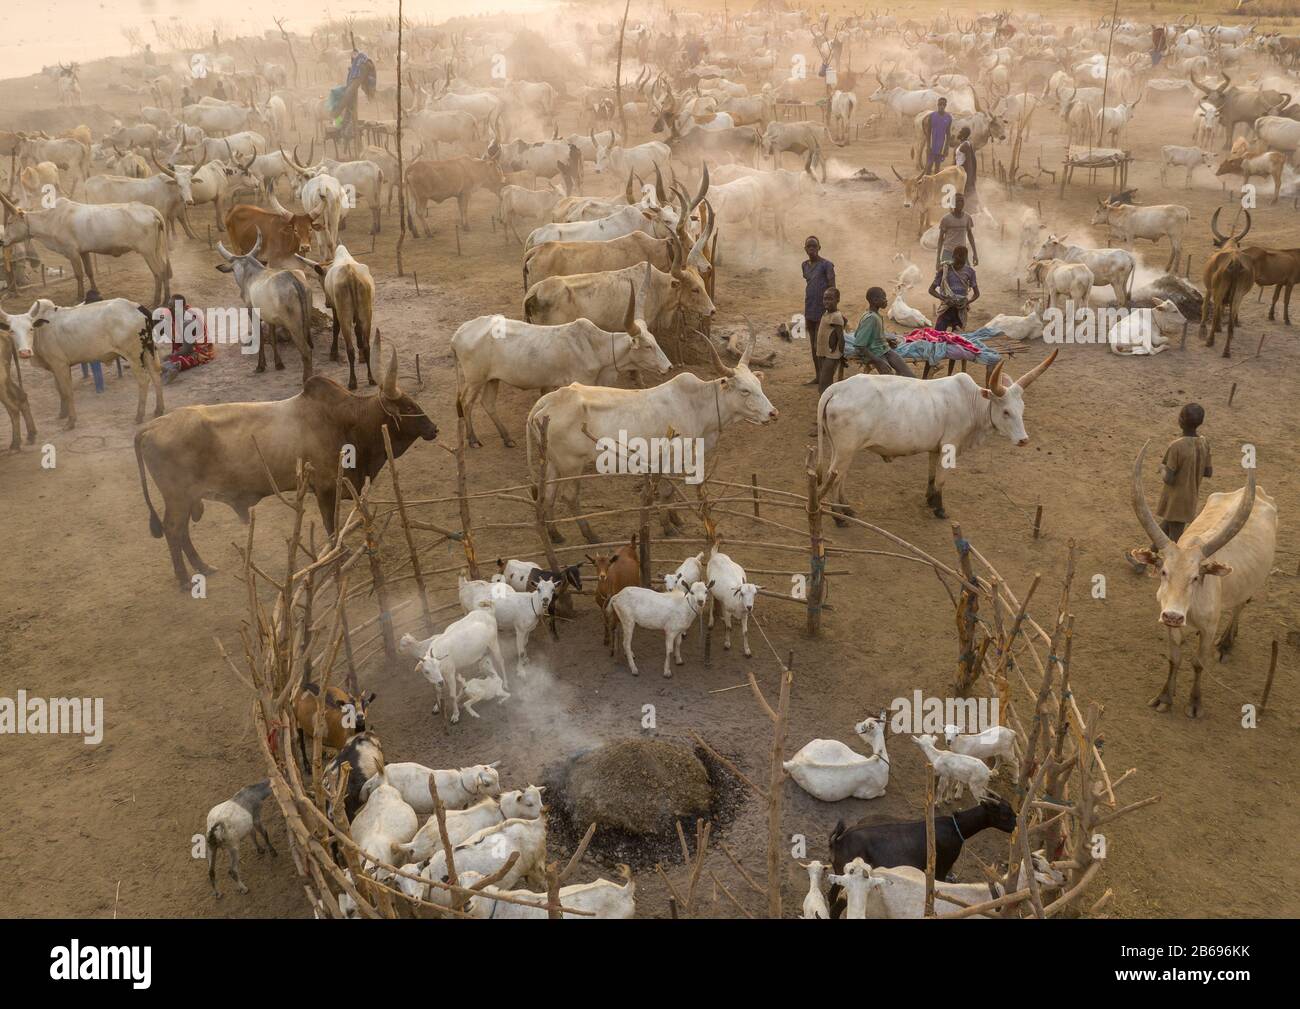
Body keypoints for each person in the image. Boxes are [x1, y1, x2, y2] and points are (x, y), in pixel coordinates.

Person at [1128, 404, 1213, 571]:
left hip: (1175, 499)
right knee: (1164, 529)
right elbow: (1208, 472)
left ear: (1180, 420)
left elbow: (1169, 478)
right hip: (1190, 497)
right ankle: (1142, 562)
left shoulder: (1177, 446)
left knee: (1176, 543)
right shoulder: (1204, 443)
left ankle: (1179, 573)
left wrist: (1162, 468)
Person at [845, 287, 912, 377]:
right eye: (884, 298)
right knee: (889, 379)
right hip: (875, 353)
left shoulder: (875, 315)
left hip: (884, 350)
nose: (886, 300)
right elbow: (860, 345)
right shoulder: (871, 318)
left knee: (907, 373)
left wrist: (885, 340)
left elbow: (870, 335)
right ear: (875, 300)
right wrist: (878, 361)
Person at [801, 236, 836, 384]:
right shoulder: (804, 265)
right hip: (809, 308)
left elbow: (832, 288)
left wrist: (832, 310)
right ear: (805, 249)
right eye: (809, 247)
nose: (811, 250)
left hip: (823, 310)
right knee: (813, 346)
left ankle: (825, 377)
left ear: (819, 248)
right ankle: (819, 376)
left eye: (814, 247)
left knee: (821, 345)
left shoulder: (827, 265)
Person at [928, 245, 979, 332]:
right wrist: (944, 299)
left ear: (966, 258)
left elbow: (976, 294)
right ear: (953, 256)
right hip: (946, 308)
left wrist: (967, 301)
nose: (961, 259)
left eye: (963, 257)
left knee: (956, 339)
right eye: (959, 256)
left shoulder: (970, 272)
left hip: (960, 310)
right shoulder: (944, 270)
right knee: (938, 335)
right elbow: (931, 290)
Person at [814, 287, 846, 398]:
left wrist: (842, 355)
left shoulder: (836, 316)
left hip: (832, 355)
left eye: (830, 299)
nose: (826, 301)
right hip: (822, 352)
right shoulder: (826, 314)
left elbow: (841, 338)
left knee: (824, 383)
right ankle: (828, 403)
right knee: (825, 380)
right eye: (825, 299)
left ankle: (826, 405)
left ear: (837, 300)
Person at [936, 192, 978, 270]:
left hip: (962, 254)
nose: (960, 203)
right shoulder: (946, 219)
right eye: (957, 201)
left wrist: (975, 254)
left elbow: (970, 235)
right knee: (941, 277)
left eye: (962, 201)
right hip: (948, 253)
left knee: (969, 276)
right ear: (953, 203)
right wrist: (938, 259)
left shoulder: (967, 218)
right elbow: (941, 239)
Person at [921, 97, 953, 175]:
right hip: (932, 146)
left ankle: (935, 185)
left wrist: (946, 148)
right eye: (940, 104)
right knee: (928, 167)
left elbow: (948, 134)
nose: (941, 106)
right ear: (937, 105)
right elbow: (928, 132)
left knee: (937, 168)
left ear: (945, 106)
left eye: (943, 104)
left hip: (941, 147)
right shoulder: (932, 116)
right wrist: (928, 146)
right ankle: (927, 184)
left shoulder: (948, 117)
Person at [953, 127, 979, 214]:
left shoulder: (966, 145)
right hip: (958, 172)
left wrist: (968, 178)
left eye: (960, 131)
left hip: (962, 173)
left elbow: (970, 163)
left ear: (963, 134)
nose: (958, 132)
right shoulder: (964, 144)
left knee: (964, 193)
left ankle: (968, 211)